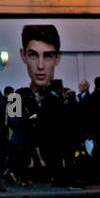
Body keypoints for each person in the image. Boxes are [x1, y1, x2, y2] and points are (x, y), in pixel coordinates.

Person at [16, 24, 65, 185]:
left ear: (57, 58)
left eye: (48, 56)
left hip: (49, 142)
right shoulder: (16, 96)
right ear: (23, 56)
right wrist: (28, 119)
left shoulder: (57, 97)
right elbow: (12, 121)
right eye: (33, 55)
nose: (41, 66)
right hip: (24, 141)